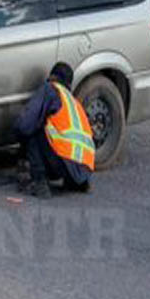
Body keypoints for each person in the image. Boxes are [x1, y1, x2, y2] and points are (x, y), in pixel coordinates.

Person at [14, 62, 95, 199]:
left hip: (62, 163)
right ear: (69, 84)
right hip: (85, 167)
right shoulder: (74, 102)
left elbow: (24, 125)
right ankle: (78, 183)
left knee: (32, 128)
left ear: (52, 77)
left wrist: (21, 153)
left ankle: (40, 183)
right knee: (43, 126)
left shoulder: (50, 89)